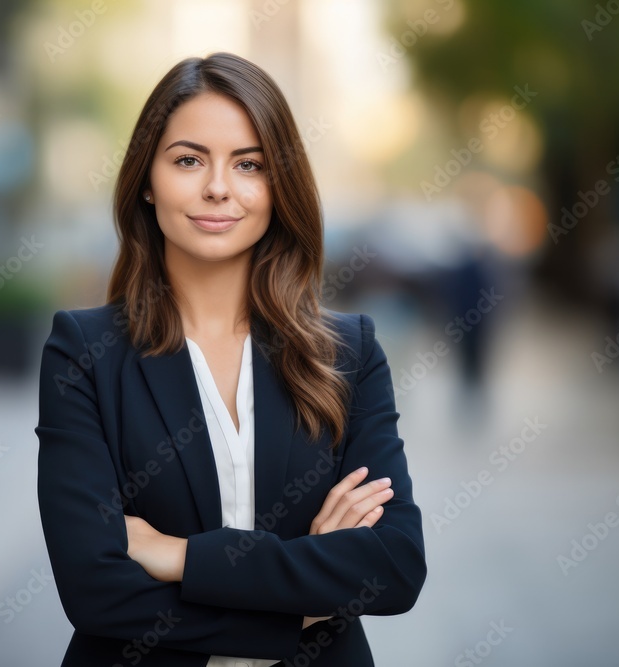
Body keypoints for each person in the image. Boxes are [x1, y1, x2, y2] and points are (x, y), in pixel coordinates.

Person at [35, 52, 426, 666]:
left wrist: (179, 556)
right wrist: (303, 600)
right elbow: (95, 592)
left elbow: (395, 565)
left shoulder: (347, 353)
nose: (218, 187)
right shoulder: (85, 353)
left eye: (250, 165)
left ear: (279, 186)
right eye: (188, 160)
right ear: (146, 178)